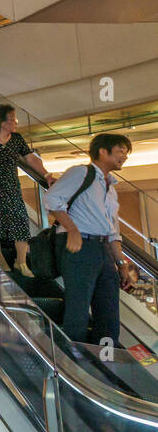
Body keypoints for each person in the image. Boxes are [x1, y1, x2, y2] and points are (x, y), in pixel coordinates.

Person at [45, 133, 131, 345]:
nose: (124, 157)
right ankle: (74, 361)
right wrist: (72, 229)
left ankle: (106, 359)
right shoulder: (81, 173)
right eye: (120, 151)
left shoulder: (110, 187)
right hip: (79, 247)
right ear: (103, 151)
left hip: (103, 250)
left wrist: (121, 263)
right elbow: (51, 199)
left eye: (126, 153)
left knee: (109, 312)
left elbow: (112, 230)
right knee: (78, 308)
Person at [0, 104, 54, 277]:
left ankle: (21, 262)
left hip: (11, 185)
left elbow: (31, 159)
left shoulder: (16, 139)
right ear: (1, 121)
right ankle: (0, 256)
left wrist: (47, 175)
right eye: (12, 119)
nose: (16, 122)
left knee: (20, 218)